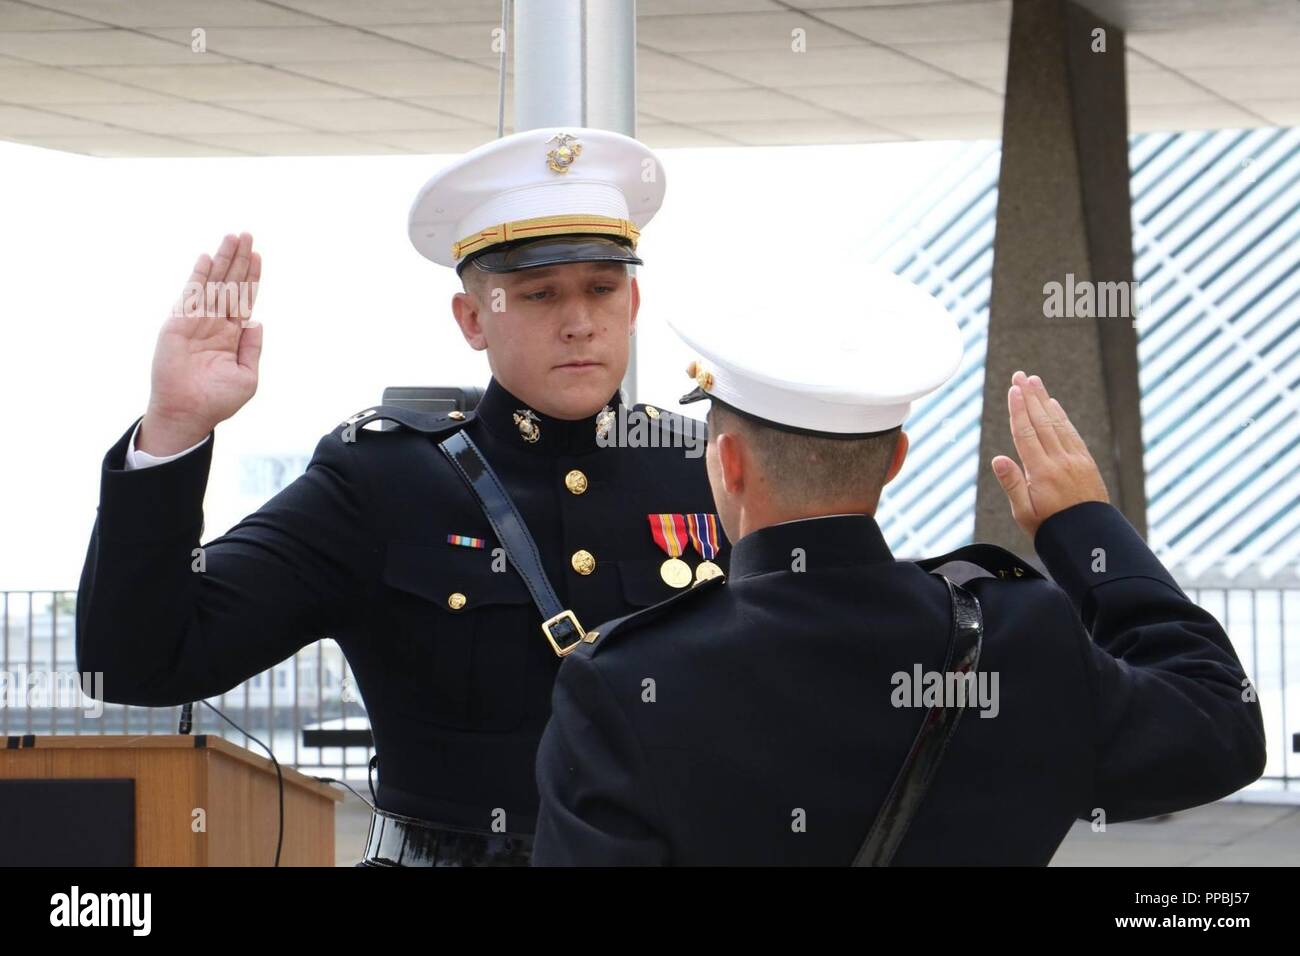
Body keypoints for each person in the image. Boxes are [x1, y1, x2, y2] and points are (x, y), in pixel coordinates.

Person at [76, 127, 726, 866]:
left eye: (602, 289)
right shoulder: (381, 482)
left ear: (632, 299)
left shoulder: (705, 467)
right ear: (474, 319)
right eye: (540, 293)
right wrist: (174, 429)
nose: (579, 320)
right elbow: (135, 661)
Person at [531, 271, 1267, 866]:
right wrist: (1084, 527)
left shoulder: (626, 683)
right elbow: (1221, 726)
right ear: (895, 461)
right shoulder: (1024, 635)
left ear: (727, 462)